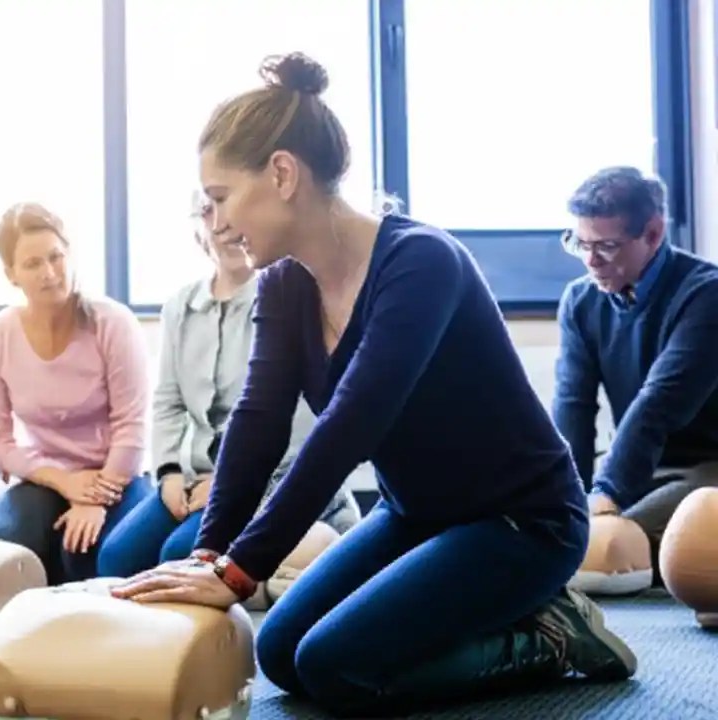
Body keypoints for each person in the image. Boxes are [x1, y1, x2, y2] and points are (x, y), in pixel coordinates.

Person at [112, 52, 637, 717]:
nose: (214, 222)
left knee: (335, 665)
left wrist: (241, 571)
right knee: (281, 653)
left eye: (220, 198)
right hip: (415, 514)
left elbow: (351, 424)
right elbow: (259, 420)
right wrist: (211, 552)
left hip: (522, 523)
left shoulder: (421, 263)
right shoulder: (282, 284)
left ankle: (550, 636)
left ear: (281, 174)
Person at [97, 189, 359, 579]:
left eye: (232, 207)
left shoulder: (286, 295)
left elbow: (300, 419)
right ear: (198, 229)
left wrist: (226, 484)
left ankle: (202, 640)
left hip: (267, 478)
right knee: (117, 557)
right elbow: (167, 402)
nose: (223, 223)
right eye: (207, 211)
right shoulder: (180, 307)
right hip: (191, 478)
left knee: (178, 553)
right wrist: (168, 474)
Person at [0, 202, 153, 584]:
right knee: (9, 552)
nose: (50, 273)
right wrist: (64, 482)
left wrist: (95, 497)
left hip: (118, 476)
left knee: (87, 558)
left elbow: (132, 428)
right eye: (33, 264)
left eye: (56, 257)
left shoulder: (114, 323)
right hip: (47, 477)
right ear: (11, 274)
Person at [554, 166, 718, 582]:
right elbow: (573, 409)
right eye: (580, 243)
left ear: (653, 234)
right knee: (556, 530)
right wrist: (563, 502)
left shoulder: (706, 294)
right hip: (637, 465)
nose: (591, 261)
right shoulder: (580, 301)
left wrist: (606, 498)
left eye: (606, 246)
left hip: (706, 468)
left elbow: (658, 404)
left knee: (609, 545)